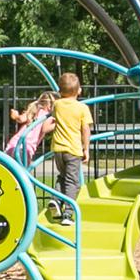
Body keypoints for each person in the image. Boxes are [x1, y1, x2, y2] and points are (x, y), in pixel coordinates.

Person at [48, 72, 92, 226]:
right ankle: (68, 214)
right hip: (73, 150)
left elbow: (53, 117)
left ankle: (55, 200)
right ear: (79, 90)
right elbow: (85, 129)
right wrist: (86, 149)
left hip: (58, 149)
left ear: (60, 91)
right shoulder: (82, 108)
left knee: (62, 176)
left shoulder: (57, 105)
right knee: (73, 182)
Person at [4, 91, 57, 164]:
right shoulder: (48, 116)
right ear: (50, 105)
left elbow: (21, 119)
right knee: (22, 172)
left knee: (10, 170)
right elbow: (45, 129)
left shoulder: (33, 110)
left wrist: (15, 115)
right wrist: (59, 123)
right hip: (27, 148)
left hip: (14, 144)